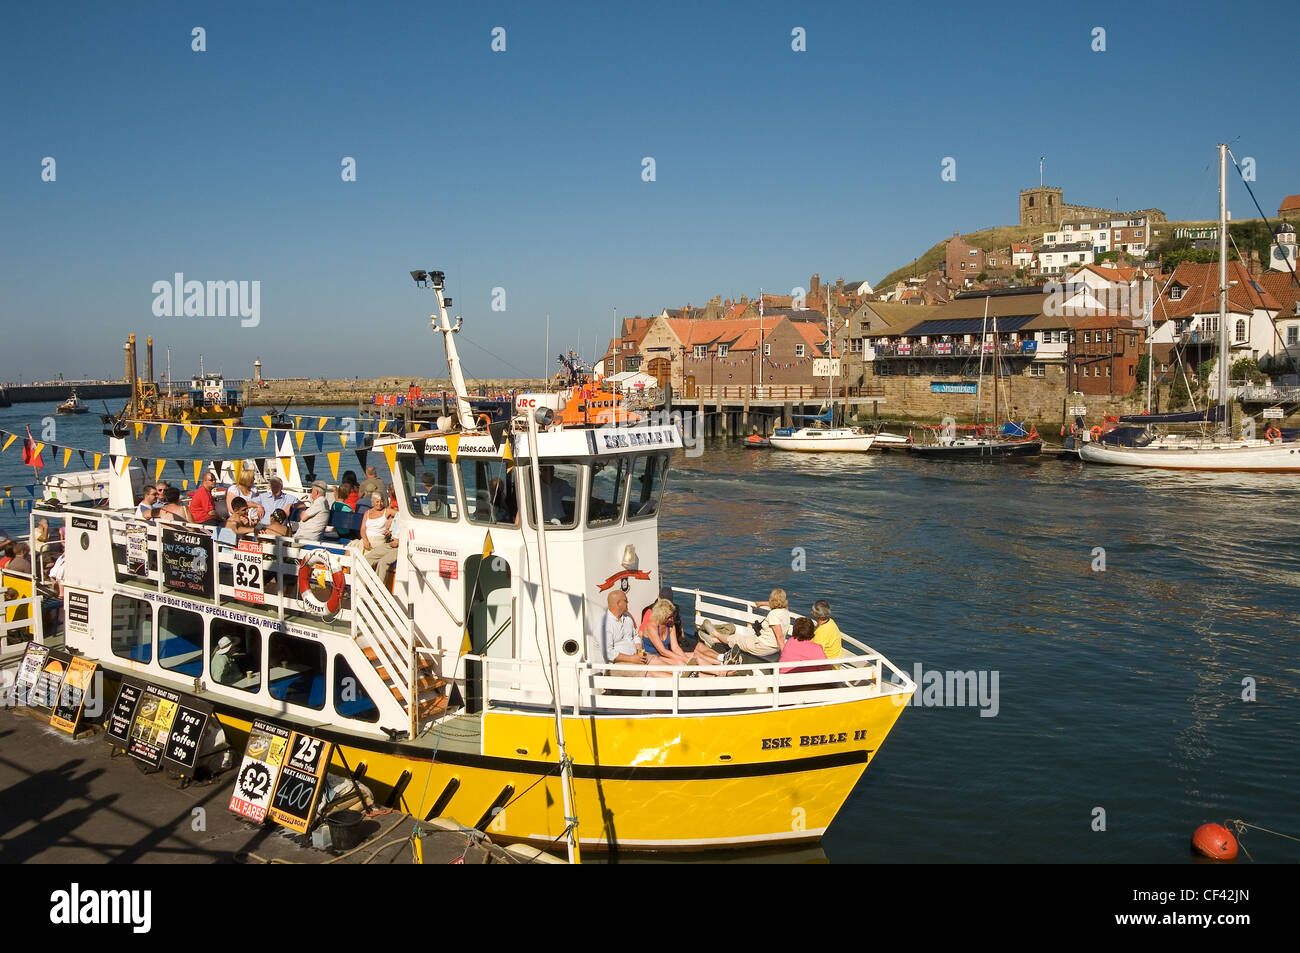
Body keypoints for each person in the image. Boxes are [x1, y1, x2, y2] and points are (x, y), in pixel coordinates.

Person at [598, 590, 648, 668]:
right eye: (626, 600)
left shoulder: (627, 618)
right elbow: (608, 653)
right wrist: (632, 659)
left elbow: (635, 636)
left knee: (659, 661)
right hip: (617, 665)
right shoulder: (605, 624)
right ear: (618, 603)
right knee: (653, 672)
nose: (628, 602)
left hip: (635, 658)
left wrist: (639, 650)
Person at [361, 492, 399, 579]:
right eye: (377, 502)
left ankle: (369, 585)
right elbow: (363, 529)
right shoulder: (367, 513)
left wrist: (391, 521)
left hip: (378, 541)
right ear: (373, 502)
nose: (379, 504)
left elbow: (401, 515)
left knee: (368, 559)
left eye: (381, 501)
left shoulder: (387, 511)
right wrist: (365, 540)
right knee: (349, 552)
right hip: (366, 540)